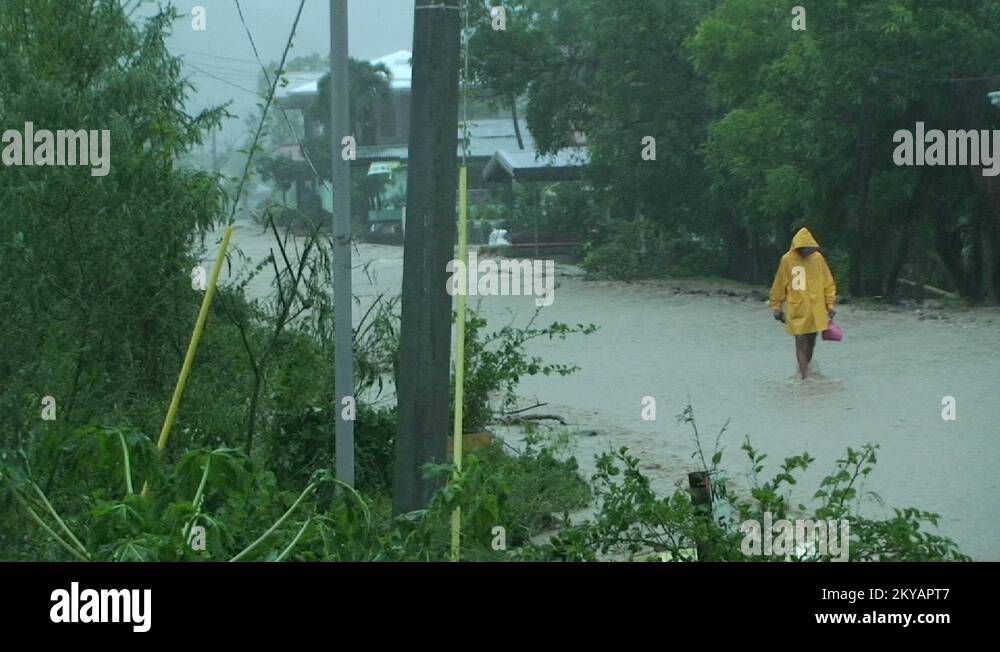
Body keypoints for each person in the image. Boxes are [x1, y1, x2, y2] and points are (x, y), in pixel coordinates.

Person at [769, 227, 837, 379]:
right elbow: (779, 284)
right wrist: (777, 306)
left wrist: (830, 304)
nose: (808, 252)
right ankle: (805, 378)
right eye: (805, 249)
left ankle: (804, 369)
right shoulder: (787, 260)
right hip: (797, 308)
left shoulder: (818, 259)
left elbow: (828, 282)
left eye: (810, 249)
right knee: (800, 341)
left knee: (811, 341)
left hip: (816, 309)